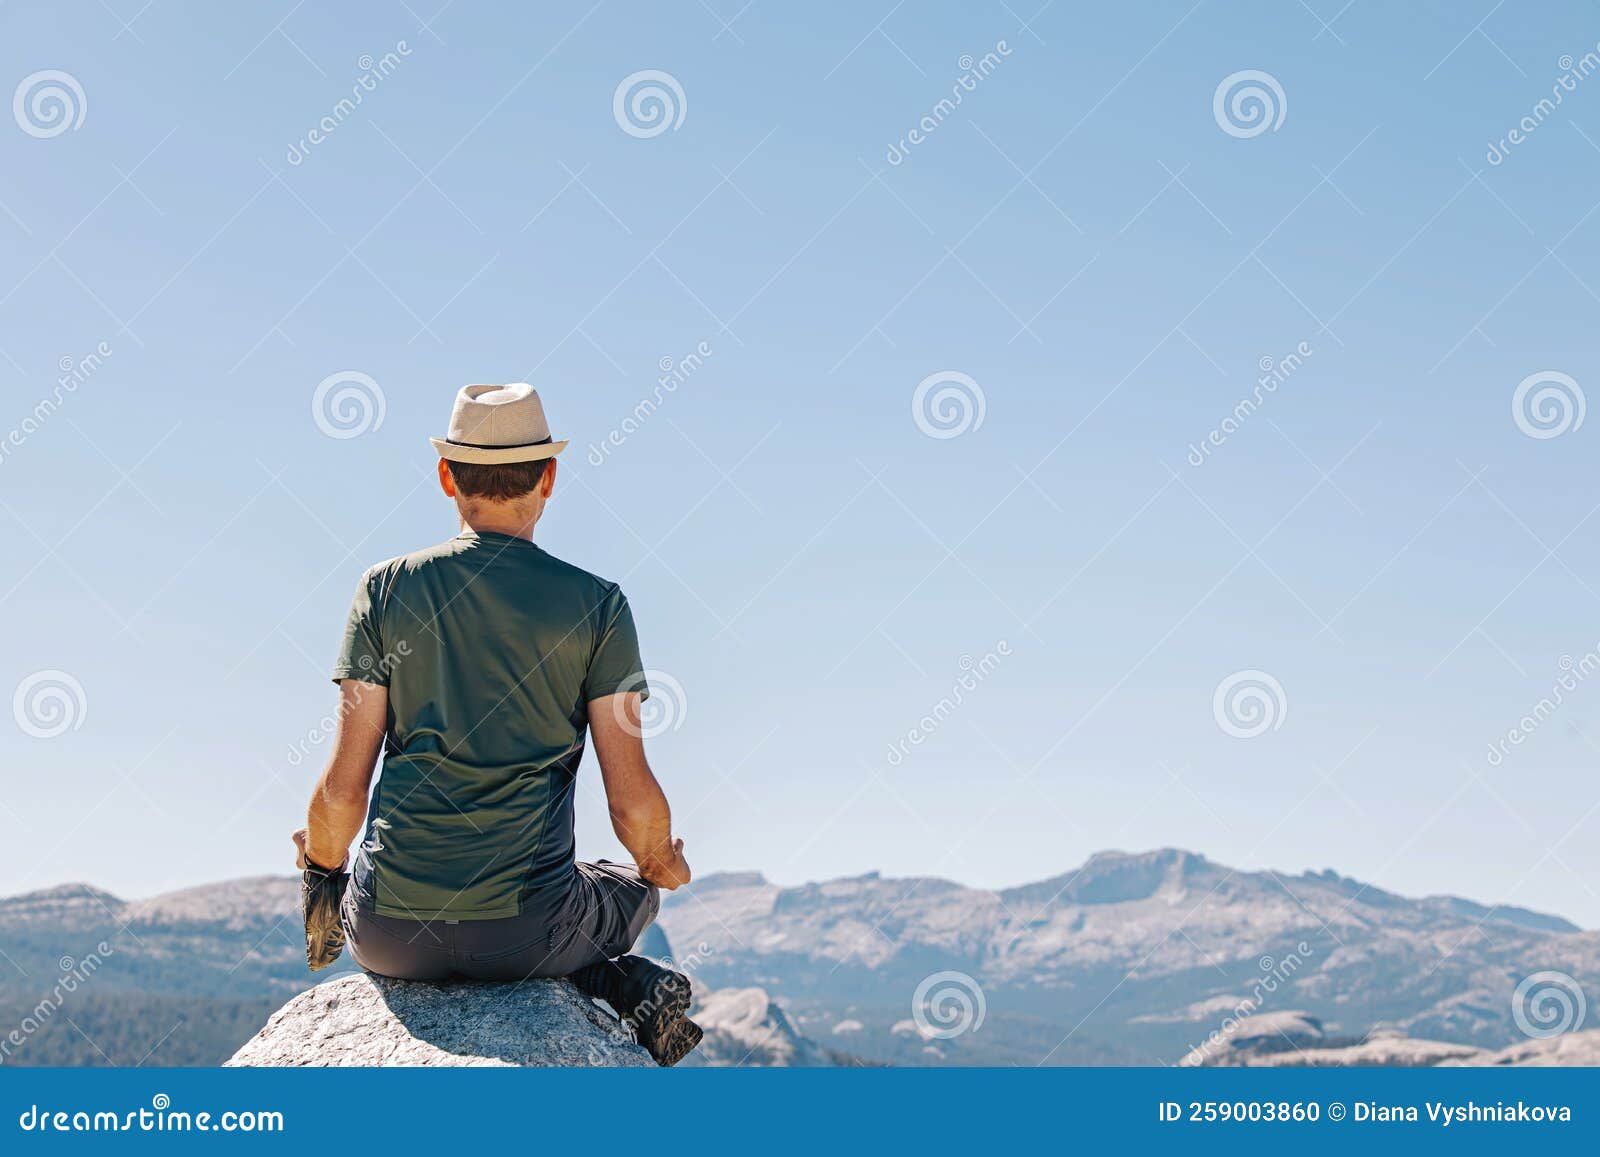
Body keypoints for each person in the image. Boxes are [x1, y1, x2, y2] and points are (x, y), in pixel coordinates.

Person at [290, 382, 700, 1066]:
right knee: (623, 893)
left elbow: (340, 794)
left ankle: (616, 979)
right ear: (550, 477)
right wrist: (658, 867)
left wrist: (322, 870)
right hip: (525, 928)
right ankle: (620, 978)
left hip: (391, 933)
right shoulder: (597, 607)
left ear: (447, 475)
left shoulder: (385, 590)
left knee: (379, 876)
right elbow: (630, 798)